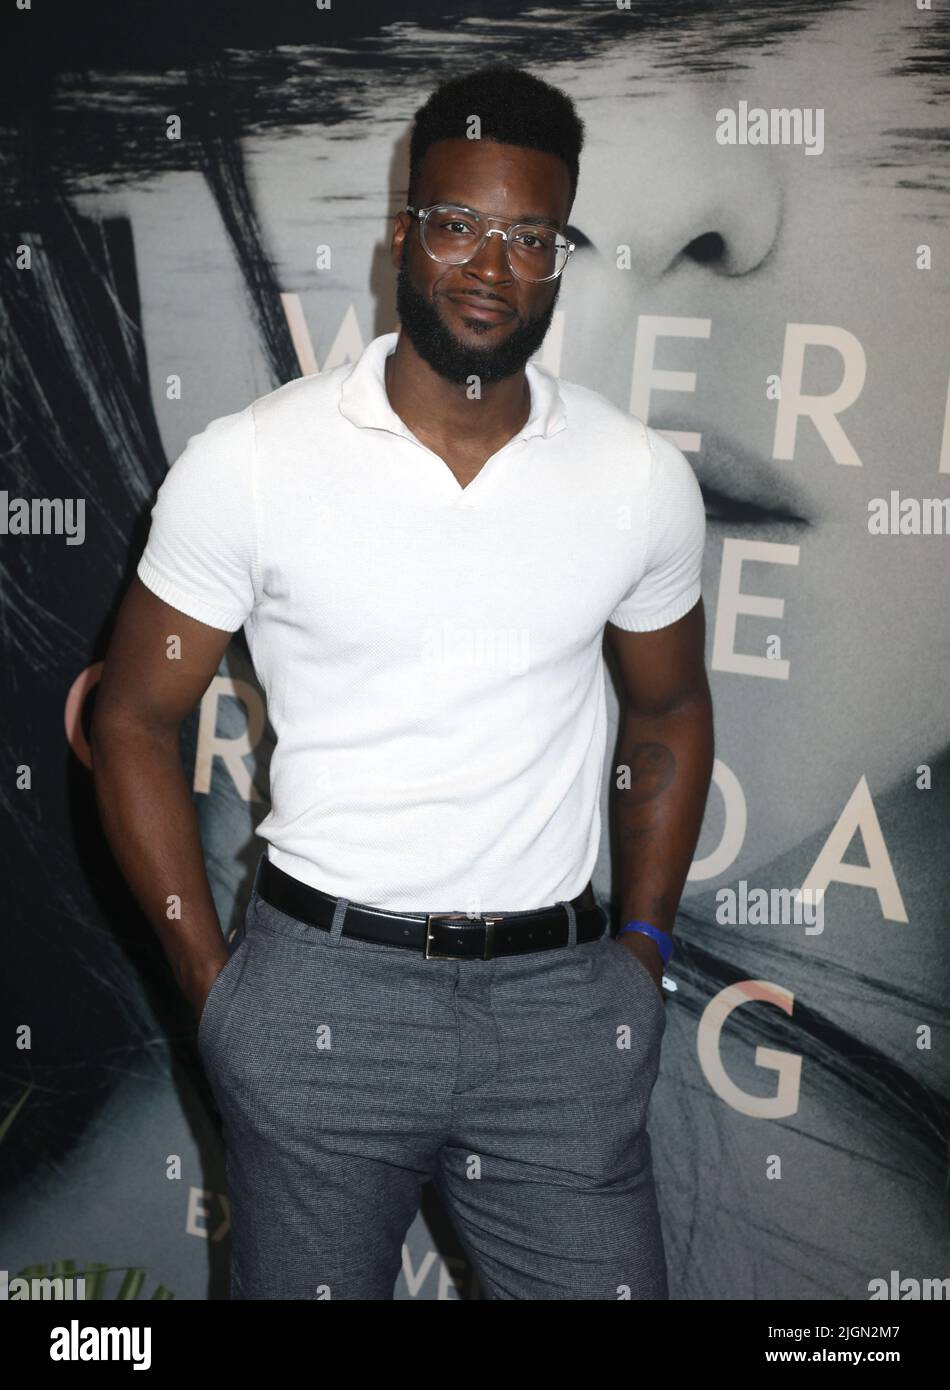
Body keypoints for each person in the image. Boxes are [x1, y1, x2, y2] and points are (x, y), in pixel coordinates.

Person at [91, 64, 712, 1300]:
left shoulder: (636, 479)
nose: (488, 264)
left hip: (557, 1015)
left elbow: (669, 711)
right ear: (402, 233)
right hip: (320, 997)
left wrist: (637, 953)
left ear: (559, 256)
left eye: (528, 235)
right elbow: (131, 720)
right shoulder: (251, 465)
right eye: (457, 223)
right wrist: (218, 995)